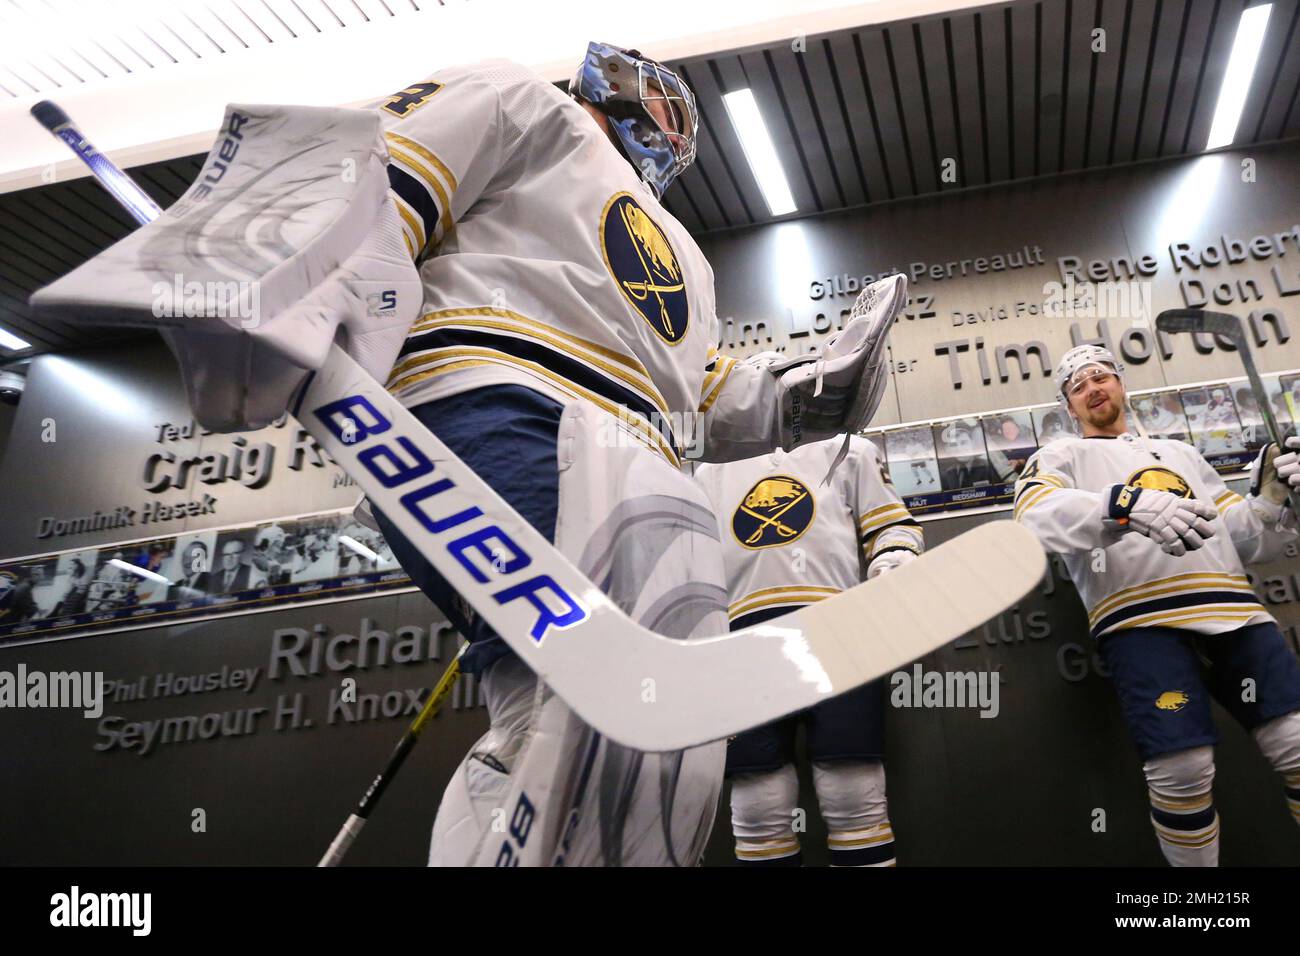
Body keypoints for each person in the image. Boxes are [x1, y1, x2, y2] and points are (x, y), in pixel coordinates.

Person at [46, 41, 903, 866]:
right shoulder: (527, 102)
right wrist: (288, 266)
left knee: (667, 741)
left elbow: (697, 390)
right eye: (656, 100)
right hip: (498, 394)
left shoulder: (687, 255)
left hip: (644, 457)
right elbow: (385, 171)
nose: (668, 124)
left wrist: (797, 399)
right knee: (566, 702)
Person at [1013, 344, 1300, 865]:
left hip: (1235, 612)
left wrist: (1270, 501)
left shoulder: (1183, 453)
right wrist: (1125, 503)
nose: (1093, 387)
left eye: (1101, 376)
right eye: (1078, 386)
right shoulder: (1062, 454)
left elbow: (1241, 534)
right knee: (1183, 769)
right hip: (1143, 624)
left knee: (1299, 744)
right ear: (1069, 407)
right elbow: (1034, 516)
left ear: (1122, 384)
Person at [695, 434, 922, 866]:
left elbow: (890, 525)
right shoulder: (709, 471)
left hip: (837, 623)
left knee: (851, 781)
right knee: (757, 795)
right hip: (740, 638)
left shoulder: (846, 448)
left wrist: (894, 562)